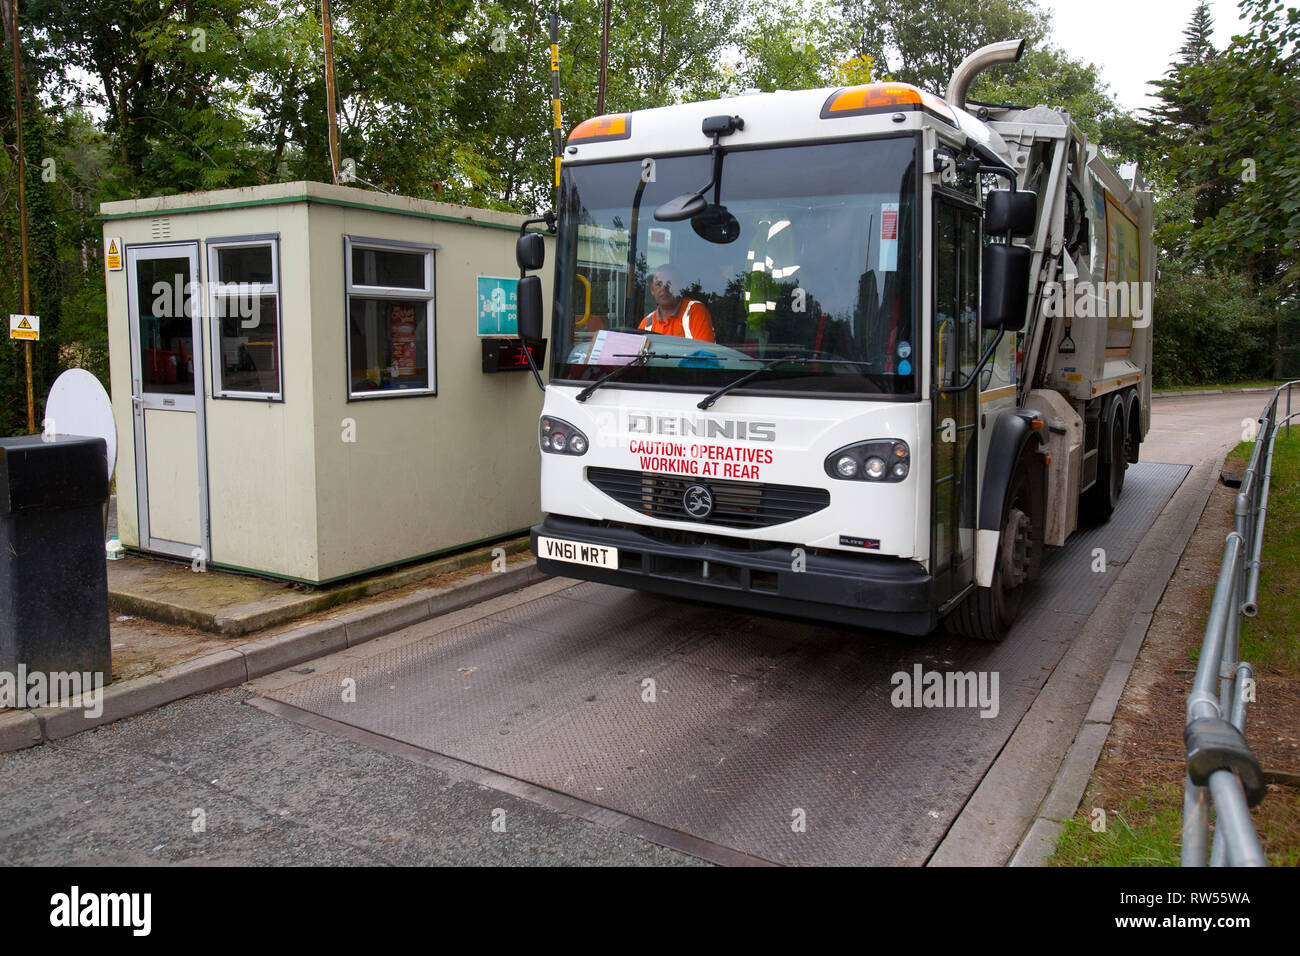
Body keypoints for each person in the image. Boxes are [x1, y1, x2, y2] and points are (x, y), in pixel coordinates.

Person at [638, 265, 715, 342]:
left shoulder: (695, 312)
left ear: (680, 287)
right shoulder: (646, 323)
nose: (664, 288)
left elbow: (706, 353)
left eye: (669, 283)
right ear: (652, 289)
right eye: (659, 284)